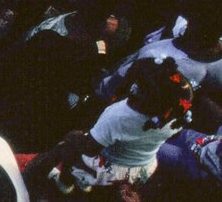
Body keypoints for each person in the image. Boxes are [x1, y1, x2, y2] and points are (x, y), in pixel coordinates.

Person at [42, 56, 193, 192]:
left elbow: (90, 149)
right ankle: (85, 182)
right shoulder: (175, 116)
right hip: (141, 168)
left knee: (71, 142)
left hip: (108, 168)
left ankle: (65, 184)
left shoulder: (120, 116)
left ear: (138, 87)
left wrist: (76, 138)